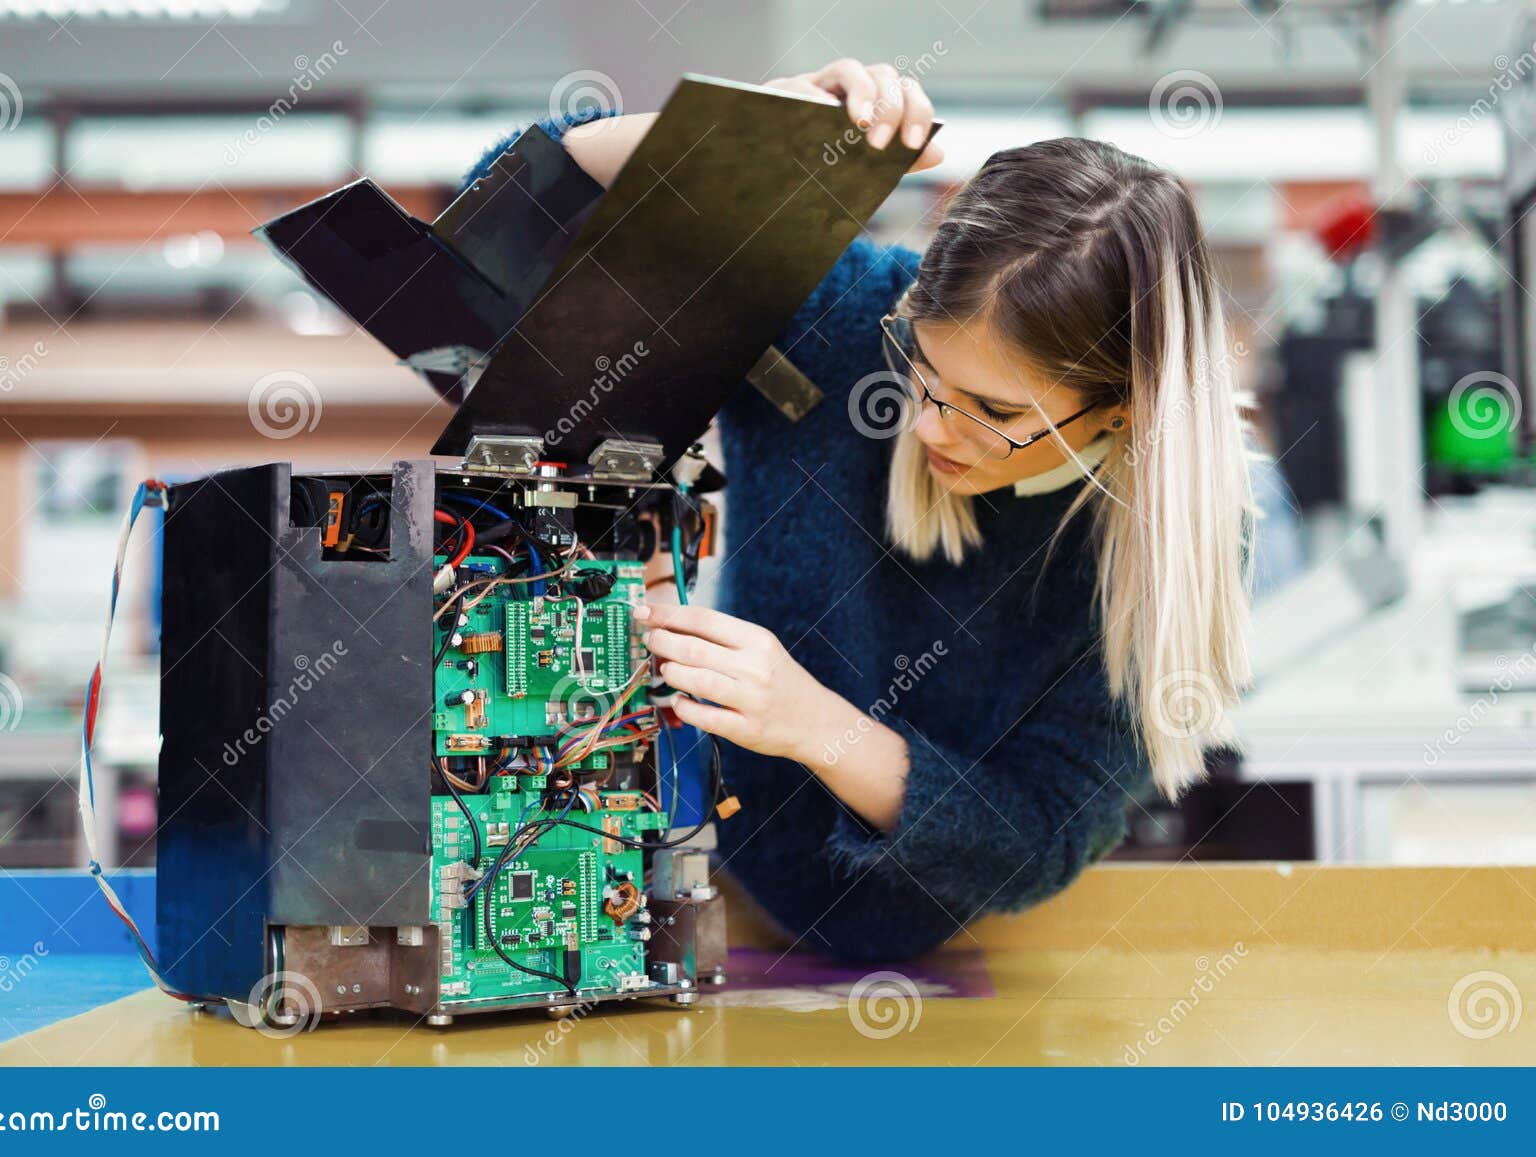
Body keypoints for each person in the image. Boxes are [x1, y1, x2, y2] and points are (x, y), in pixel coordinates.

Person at [461, 59, 1254, 961]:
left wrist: (816, 725)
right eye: (920, 364)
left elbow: (1035, 840)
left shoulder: (1167, 538)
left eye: (994, 411)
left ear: (1122, 410)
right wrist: (739, 132)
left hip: (932, 950)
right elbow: (496, 220)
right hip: (673, 881)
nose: (927, 426)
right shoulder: (846, 326)